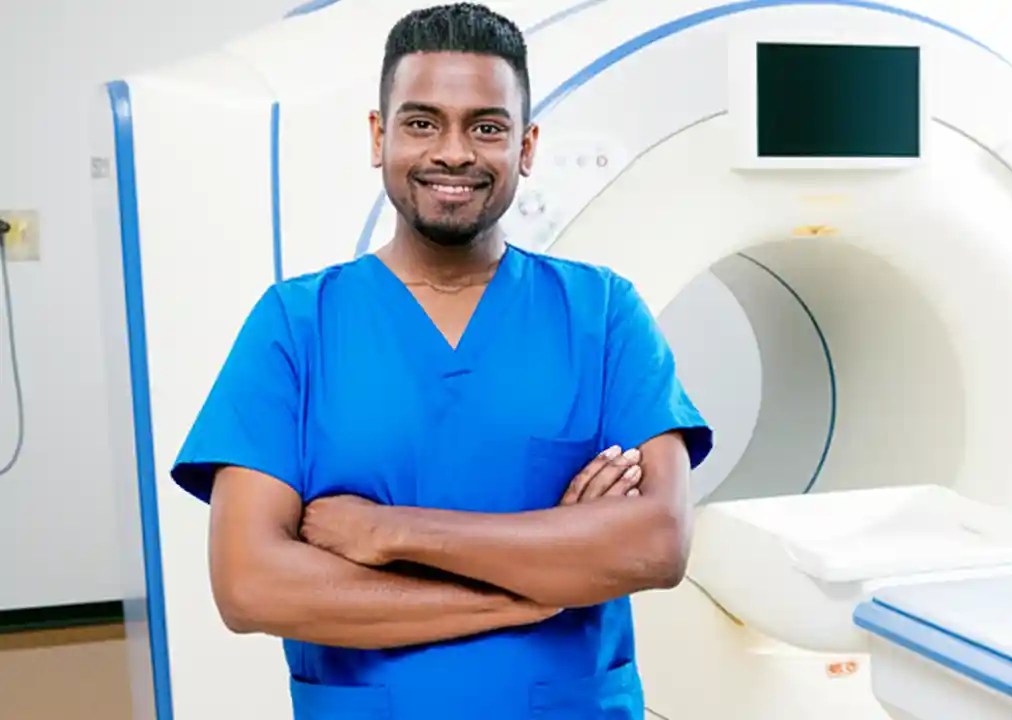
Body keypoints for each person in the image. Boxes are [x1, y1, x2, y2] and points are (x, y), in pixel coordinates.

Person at [169, 4, 713, 719]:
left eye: (486, 127)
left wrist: (388, 533)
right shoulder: (297, 324)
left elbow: (658, 543)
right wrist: (539, 589)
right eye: (422, 122)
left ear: (526, 146)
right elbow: (250, 585)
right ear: (379, 136)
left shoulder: (603, 312)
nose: (453, 152)